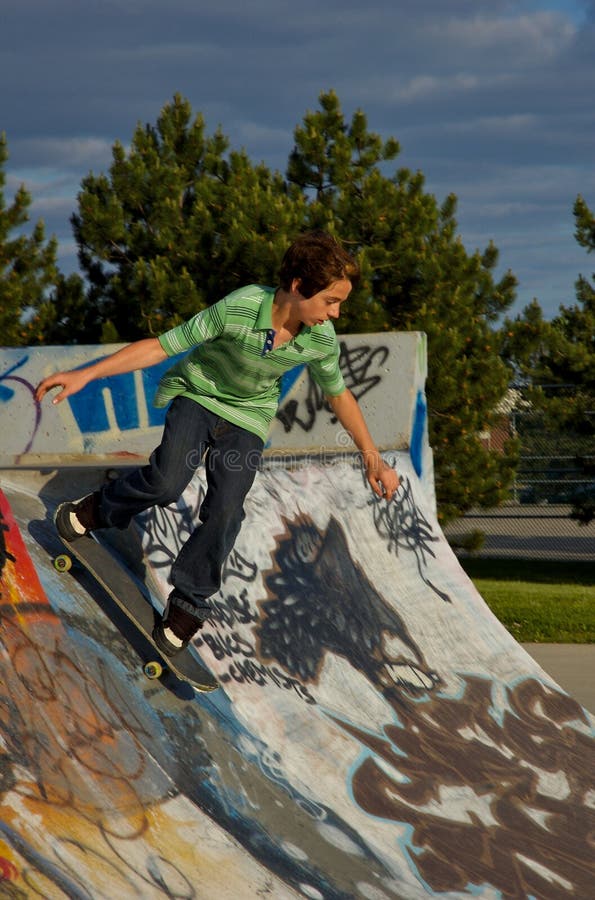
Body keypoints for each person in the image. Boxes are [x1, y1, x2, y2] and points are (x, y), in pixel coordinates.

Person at [36, 231, 400, 657]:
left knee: (227, 506)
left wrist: (372, 458)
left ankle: (189, 599)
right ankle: (98, 509)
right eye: (330, 301)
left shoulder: (318, 340)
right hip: (198, 396)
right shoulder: (243, 306)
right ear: (299, 287)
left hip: (247, 419)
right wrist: (86, 374)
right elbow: (160, 347)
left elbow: (338, 394)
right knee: (166, 482)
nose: (335, 314)